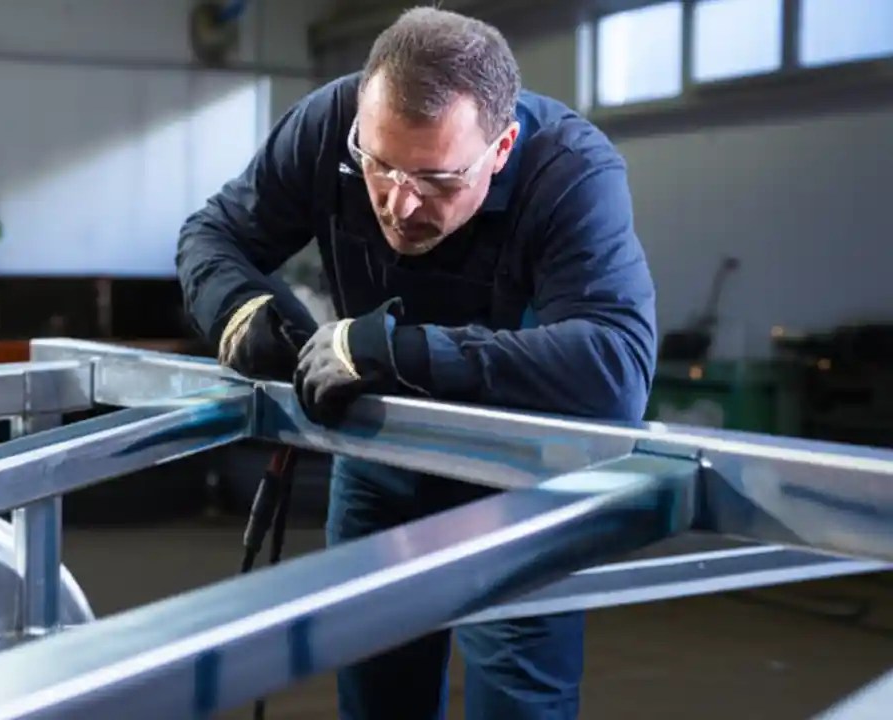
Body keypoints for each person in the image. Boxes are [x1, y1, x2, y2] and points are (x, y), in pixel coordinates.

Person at [175, 8, 656, 720]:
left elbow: (615, 368)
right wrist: (239, 311)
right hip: (379, 461)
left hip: (520, 477)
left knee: (519, 704)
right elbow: (213, 234)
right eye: (378, 165)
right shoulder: (330, 122)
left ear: (501, 148)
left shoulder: (572, 173)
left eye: (435, 180)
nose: (398, 205)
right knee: (377, 694)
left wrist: (404, 352)